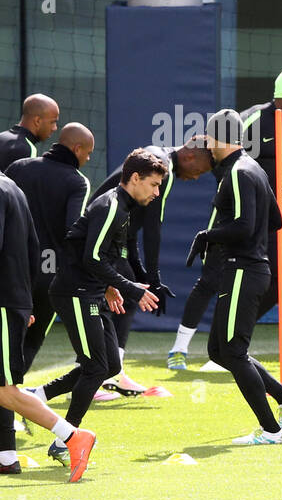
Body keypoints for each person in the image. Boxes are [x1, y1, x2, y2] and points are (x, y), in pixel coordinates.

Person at [166, 68, 282, 370]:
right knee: (211, 277)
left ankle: (231, 339)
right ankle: (179, 349)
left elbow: (278, 175)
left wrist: (281, 200)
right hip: (236, 209)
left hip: (266, 213)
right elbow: (223, 157)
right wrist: (232, 196)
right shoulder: (255, 120)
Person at [34, 149, 163, 466]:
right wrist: (129, 287)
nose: (157, 192)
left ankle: (36, 397)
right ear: (135, 178)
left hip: (90, 292)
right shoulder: (111, 206)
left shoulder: (124, 207)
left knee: (106, 367)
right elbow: (91, 257)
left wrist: (108, 287)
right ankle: (65, 440)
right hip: (74, 293)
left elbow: (98, 256)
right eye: (154, 184)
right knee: (95, 367)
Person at [186, 110, 282, 444]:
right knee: (218, 351)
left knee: (234, 352)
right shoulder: (252, 167)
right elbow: (276, 220)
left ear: (216, 139)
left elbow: (243, 225)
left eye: (208, 139)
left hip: (244, 270)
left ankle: (271, 431)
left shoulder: (238, 173)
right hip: (247, 269)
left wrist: (207, 236)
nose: (207, 147)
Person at [91, 143, 214, 392]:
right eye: (202, 169)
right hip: (100, 241)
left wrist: (145, 273)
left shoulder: (157, 155)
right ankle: (99, 376)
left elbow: (133, 225)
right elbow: (152, 228)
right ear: (190, 156)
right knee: (108, 303)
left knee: (128, 295)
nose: (198, 176)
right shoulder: (162, 169)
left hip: (114, 240)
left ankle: (113, 372)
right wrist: (154, 277)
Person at [0, 172, 97, 482]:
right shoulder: (13, 188)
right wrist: (26, 300)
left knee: (6, 391)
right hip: (12, 300)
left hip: (3, 302)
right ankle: (6, 456)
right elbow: (33, 247)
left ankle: (72, 437)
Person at [3, 123, 93, 371]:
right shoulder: (77, 182)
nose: (88, 158)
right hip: (48, 269)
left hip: (12, 266)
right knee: (31, 340)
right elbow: (73, 232)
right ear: (76, 149)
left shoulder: (18, 167)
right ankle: (10, 398)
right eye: (88, 152)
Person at [0, 94, 60, 172]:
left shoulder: (1, 136)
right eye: (52, 122)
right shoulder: (26, 149)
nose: (55, 128)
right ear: (37, 121)